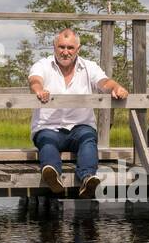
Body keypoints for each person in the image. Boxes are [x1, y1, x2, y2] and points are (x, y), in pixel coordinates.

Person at [28, 28, 127, 197]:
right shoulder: (42, 65)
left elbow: (104, 82)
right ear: (54, 47)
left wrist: (116, 87)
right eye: (61, 47)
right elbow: (35, 80)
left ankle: (88, 179)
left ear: (78, 49)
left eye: (70, 48)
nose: (65, 52)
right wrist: (39, 90)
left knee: (88, 138)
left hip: (79, 127)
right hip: (49, 127)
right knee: (47, 140)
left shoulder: (89, 67)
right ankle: (53, 176)